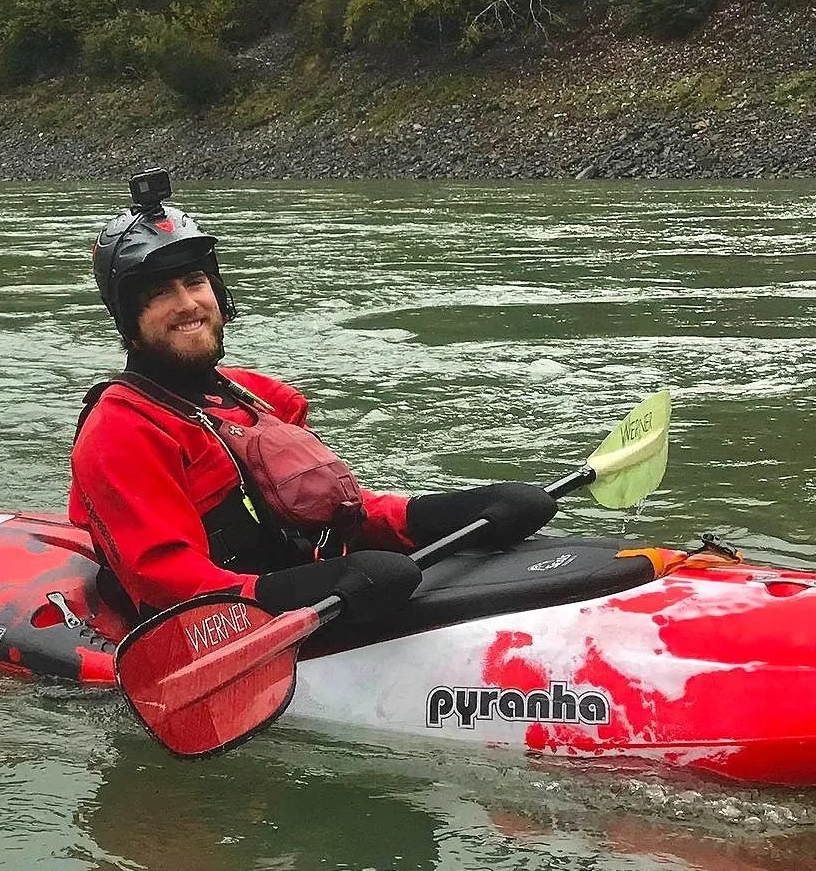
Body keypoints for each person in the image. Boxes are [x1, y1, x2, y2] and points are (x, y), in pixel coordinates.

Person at [69, 168, 558, 629]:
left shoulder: (258, 396)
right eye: (159, 293)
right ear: (128, 322)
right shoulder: (120, 431)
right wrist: (294, 592)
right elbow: (165, 583)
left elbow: (341, 511)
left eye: (195, 282)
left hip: (315, 588)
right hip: (223, 618)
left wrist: (436, 514)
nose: (188, 304)